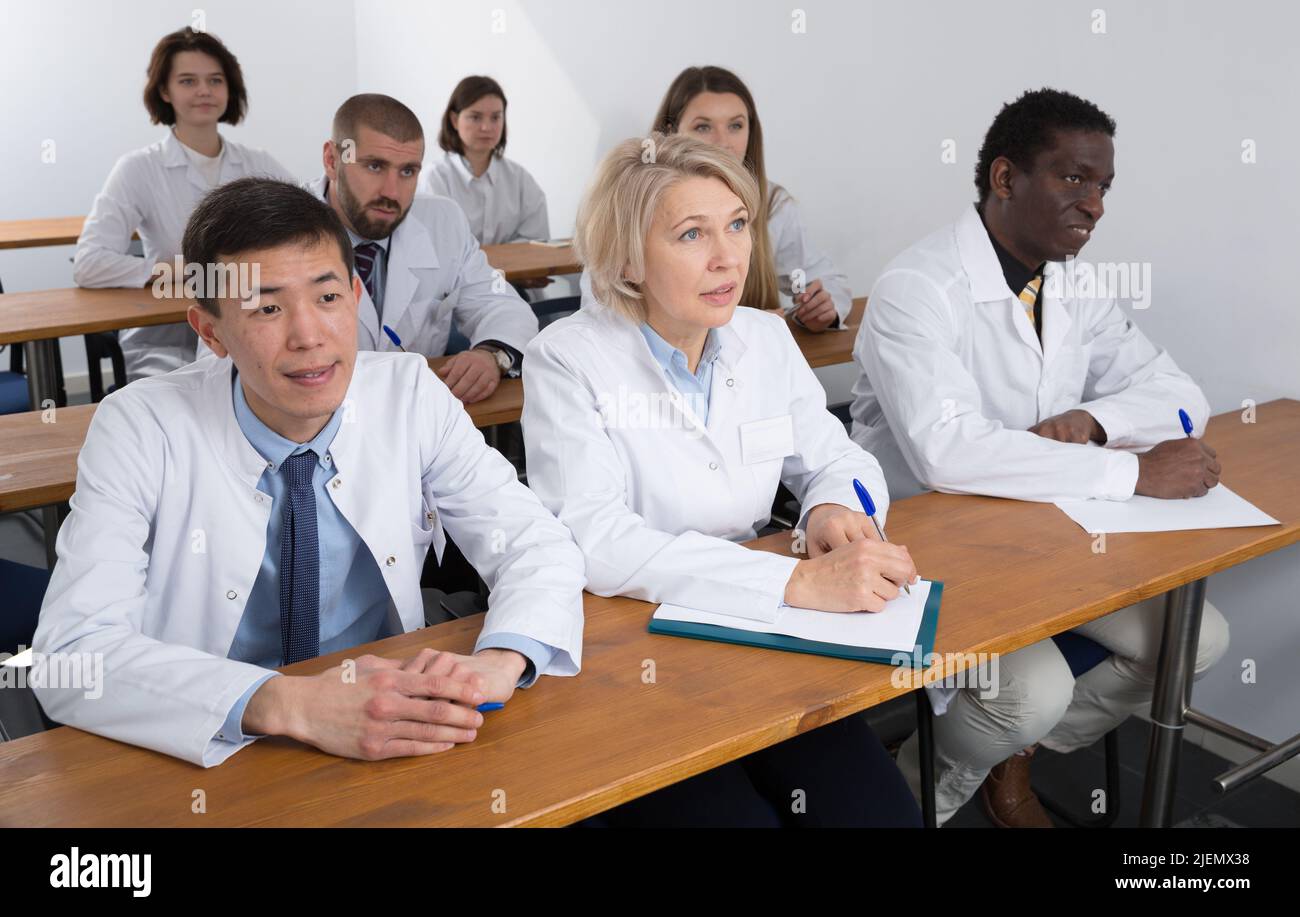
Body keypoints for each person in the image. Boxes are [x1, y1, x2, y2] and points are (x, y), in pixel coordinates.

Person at [34, 177, 585, 767]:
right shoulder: (140, 425)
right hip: (214, 734)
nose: (310, 337)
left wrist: (500, 662)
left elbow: (536, 543)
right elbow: (74, 656)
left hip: (389, 720)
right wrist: (294, 705)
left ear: (354, 294)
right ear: (211, 331)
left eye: (327, 298)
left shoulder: (409, 392)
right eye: (267, 307)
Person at [850, 88, 1230, 827]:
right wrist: (1132, 469)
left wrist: (1096, 420)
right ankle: (920, 789)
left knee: (1195, 641)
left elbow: (1182, 396)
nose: (1093, 204)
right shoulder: (915, 288)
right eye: (1072, 178)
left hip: (1047, 527)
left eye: (1102, 187)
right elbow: (946, 452)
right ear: (1004, 178)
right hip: (932, 538)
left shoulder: (1073, 282)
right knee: (1032, 691)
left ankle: (995, 756)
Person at [524, 132, 920, 827]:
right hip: (637, 652)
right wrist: (792, 581)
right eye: (691, 234)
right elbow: (597, 539)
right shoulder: (567, 358)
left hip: (765, 642)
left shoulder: (762, 338)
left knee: (880, 816)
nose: (728, 256)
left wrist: (829, 509)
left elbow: (842, 457)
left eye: (738, 225)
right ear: (626, 256)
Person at [74, 26, 295, 381]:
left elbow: (310, 230)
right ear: (165, 90)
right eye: (188, 81)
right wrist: (179, 272)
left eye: (215, 80)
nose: (204, 91)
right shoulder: (138, 169)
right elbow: (89, 264)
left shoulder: (258, 164)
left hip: (254, 331)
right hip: (165, 343)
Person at [308, 93, 538, 404]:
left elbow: (501, 302)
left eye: (407, 172)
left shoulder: (443, 220)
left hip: (417, 419)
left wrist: (492, 354)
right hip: (313, 424)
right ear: (333, 160)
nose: (392, 192)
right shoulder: (273, 230)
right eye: (375, 166)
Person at [641, 65, 852, 332]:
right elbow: (606, 308)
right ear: (671, 131)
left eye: (736, 125)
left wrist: (821, 307)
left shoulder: (774, 205)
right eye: (703, 127)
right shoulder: (636, 205)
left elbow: (819, 278)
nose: (723, 142)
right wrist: (748, 325)